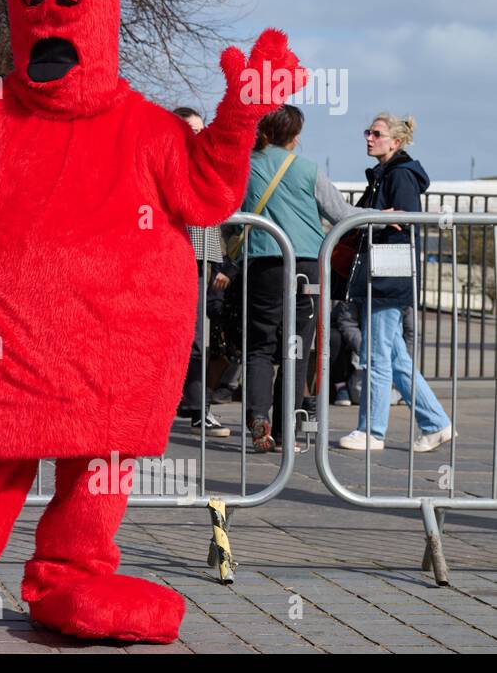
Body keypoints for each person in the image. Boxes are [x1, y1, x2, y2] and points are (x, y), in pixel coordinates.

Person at [220, 105, 356, 452]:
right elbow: (340, 213)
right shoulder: (308, 168)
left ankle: (256, 419)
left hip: (262, 262)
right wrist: (384, 216)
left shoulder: (245, 165)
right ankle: (285, 433)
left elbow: (226, 211)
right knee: (295, 347)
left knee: (260, 346)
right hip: (305, 263)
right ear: (295, 136)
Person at [338, 114, 453, 452]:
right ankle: (436, 423)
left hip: (386, 277)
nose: (369, 138)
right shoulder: (385, 174)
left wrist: (378, 219)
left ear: (396, 142)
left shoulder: (400, 175)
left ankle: (371, 431)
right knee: (395, 356)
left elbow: (402, 225)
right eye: (368, 132)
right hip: (382, 275)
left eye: (377, 133)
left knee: (376, 356)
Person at [171, 107, 230, 437]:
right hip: (179, 255)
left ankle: (195, 405)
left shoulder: (208, 164)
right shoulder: (174, 162)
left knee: (196, 336)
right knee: (186, 335)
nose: (199, 134)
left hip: (202, 259)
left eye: (201, 128)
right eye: (192, 129)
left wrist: (223, 263)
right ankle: (194, 406)